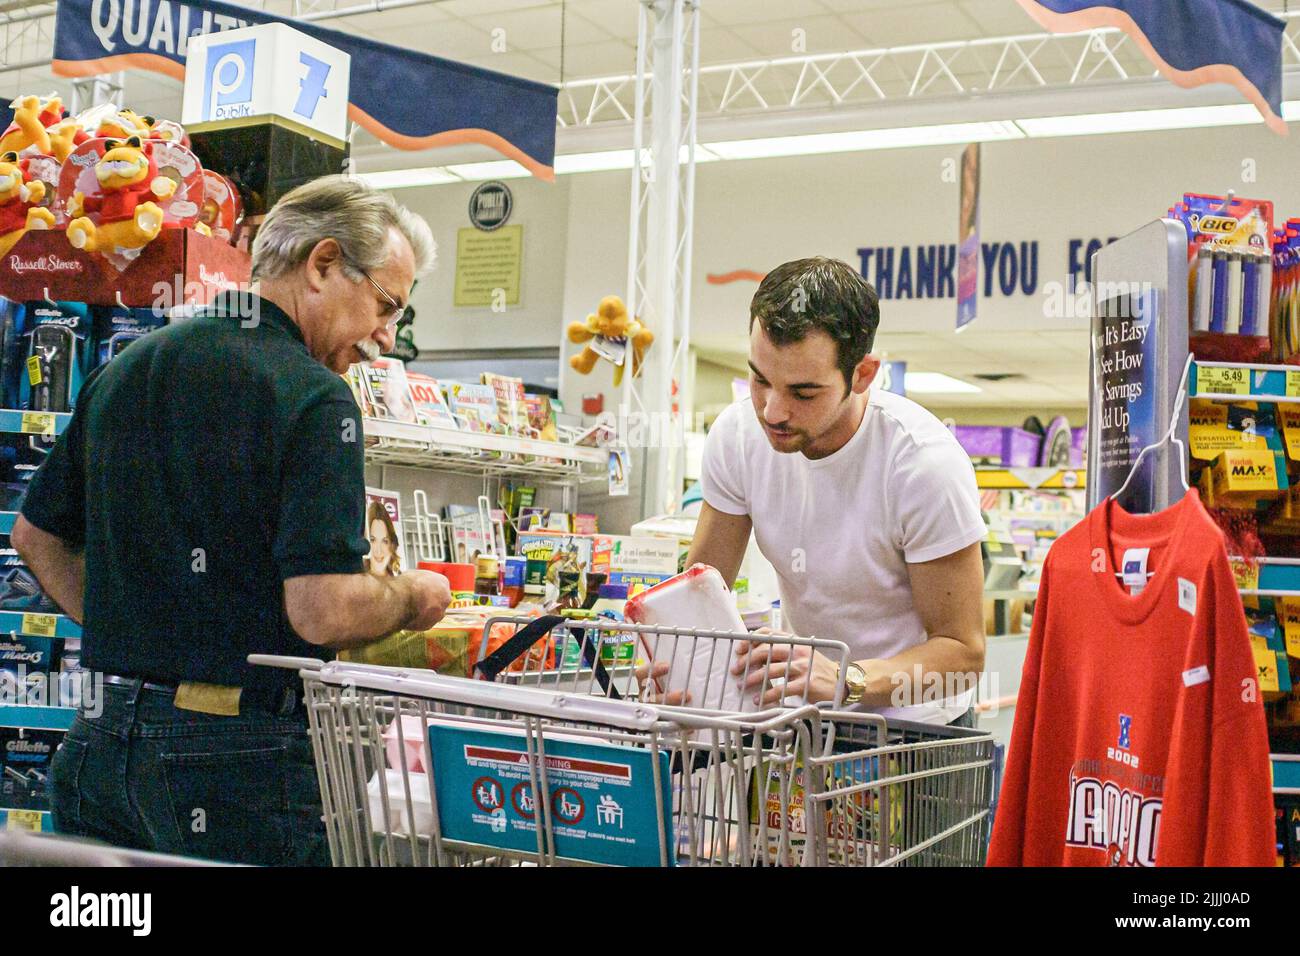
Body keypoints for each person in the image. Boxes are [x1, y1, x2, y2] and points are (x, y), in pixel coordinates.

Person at [12, 175, 452, 865]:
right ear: (324, 263)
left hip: (98, 740)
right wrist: (415, 595)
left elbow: (34, 536)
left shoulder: (129, 365)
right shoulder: (315, 398)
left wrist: (129, 633)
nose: (386, 338)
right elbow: (323, 610)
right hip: (236, 762)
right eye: (386, 306)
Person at [671, 256, 986, 725]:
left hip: (919, 732)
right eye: (760, 380)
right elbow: (700, 593)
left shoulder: (923, 465)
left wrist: (849, 679)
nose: (772, 411)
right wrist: (674, 661)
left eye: (803, 393)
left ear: (862, 374)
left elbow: (963, 655)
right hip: (811, 721)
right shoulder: (737, 435)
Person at [364, 500, 402, 578]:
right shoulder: (356, 583)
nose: (379, 550)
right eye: (372, 540)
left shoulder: (402, 582)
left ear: (392, 544)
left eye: (385, 541)